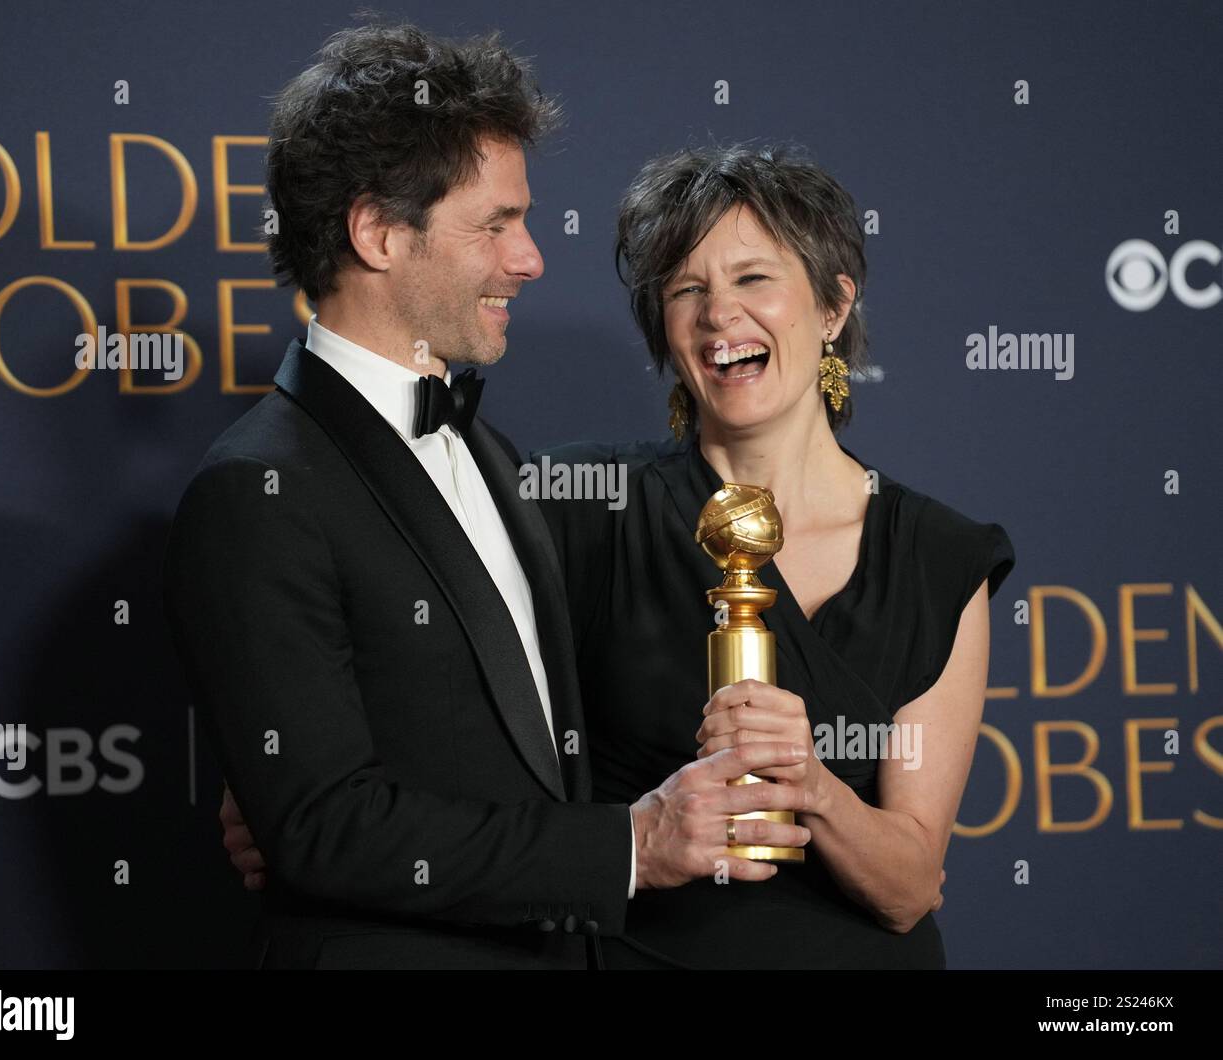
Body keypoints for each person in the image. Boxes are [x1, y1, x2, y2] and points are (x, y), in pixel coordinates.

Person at [222, 141, 1014, 969]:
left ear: (832, 306)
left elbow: (910, 885)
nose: (719, 316)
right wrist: (271, 780)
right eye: (687, 290)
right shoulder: (572, 503)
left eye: (753, 279)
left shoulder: (940, 558)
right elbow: (398, 656)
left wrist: (811, 785)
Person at [163, 21, 808, 971]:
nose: (531, 258)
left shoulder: (489, 453)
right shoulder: (257, 490)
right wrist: (630, 845)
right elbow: (324, 827)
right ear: (379, 233)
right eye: (495, 225)